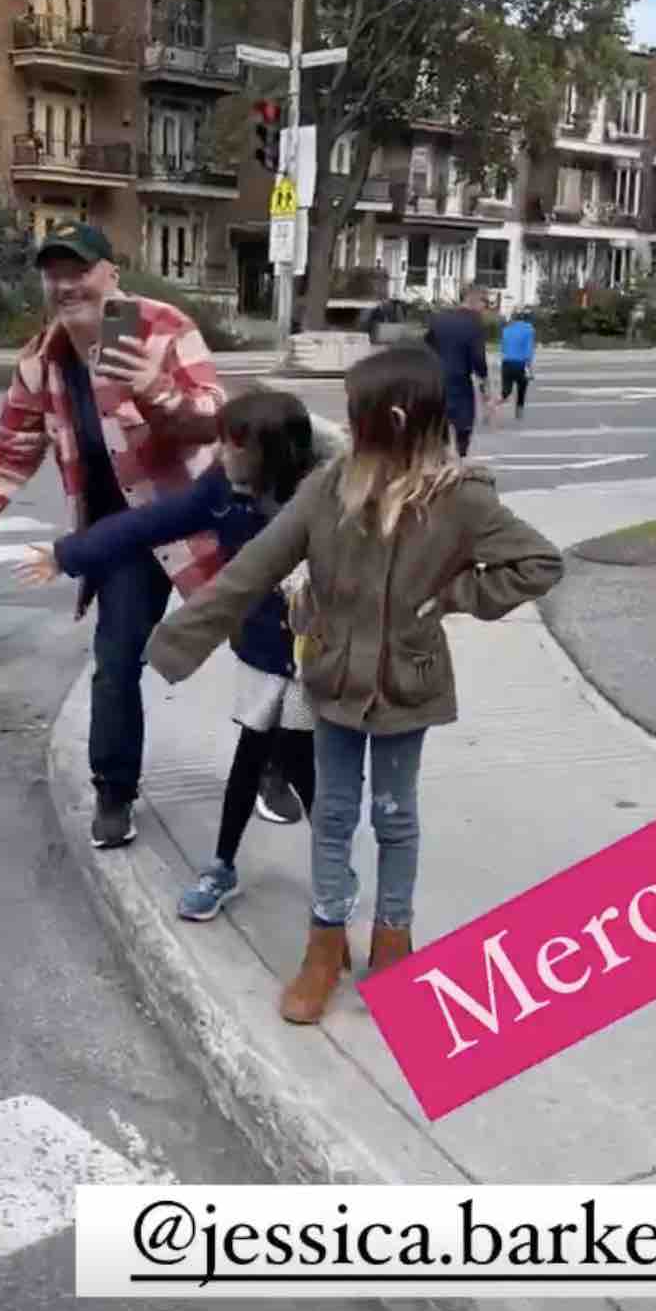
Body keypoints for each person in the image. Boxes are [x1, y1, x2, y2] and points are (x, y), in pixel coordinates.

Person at [146, 345, 563, 1025]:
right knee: (334, 817)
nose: (340, 421)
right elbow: (252, 568)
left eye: (353, 408)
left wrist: (457, 594)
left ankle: (393, 942)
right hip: (333, 678)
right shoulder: (328, 487)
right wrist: (176, 642)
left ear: (391, 417)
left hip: (408, 685)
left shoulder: (461, 501)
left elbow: (538, 562)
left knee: (395, 819)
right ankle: (324, 948)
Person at [0, 222, 225, 850]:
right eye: (54, 273)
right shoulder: (40, 363)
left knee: (259, 639)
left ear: (110, 274)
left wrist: (153, 389)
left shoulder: (163, 328)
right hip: (120, 535)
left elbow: (213, 418)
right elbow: (4, 459)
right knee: (116, 662)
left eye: (79, 270)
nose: (67, 285)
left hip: (195, 515)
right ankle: (114, 792)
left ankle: (280, 759)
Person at [18, 388, 341, 920]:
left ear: (273, 453)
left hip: (317, 652)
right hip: (261, 645)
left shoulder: (332, 493)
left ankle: (332, 876)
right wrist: (65, 553)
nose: (220, 455)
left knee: (302, 762)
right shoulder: (222, 489)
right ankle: (223, 866)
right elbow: (150, 522)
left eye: (235, 446)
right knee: (254, 751)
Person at [424, 283, 493, 456]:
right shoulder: (474, 322)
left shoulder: (439, 319)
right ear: (474, 300)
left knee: (438, 423)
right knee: (463, 425)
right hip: (459, 381)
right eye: (485, 302)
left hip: (435, 380)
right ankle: (460, 459)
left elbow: (426, 347)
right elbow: (478, 358)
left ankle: (439, 458)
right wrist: (485, 387)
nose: (486, 307)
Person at [499, 308, 536, 420]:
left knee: (506, 391)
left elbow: (503, 348)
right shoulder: (529, 329)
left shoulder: (506, 330)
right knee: (522, 388)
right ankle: (519, 414)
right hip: (521, 364)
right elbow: (528, 350)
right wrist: (529, 367)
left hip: (507, 363)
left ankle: (492, 404)